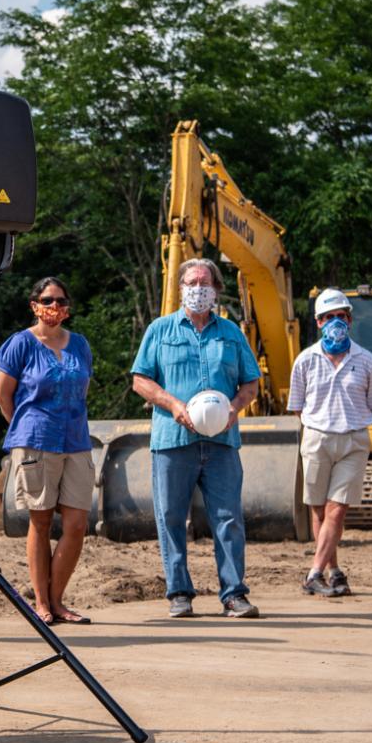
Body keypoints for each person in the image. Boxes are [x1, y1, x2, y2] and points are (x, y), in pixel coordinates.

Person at [130, 258, 262, 619]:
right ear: (181, 288)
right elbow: (140, 380)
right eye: (191, 282)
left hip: (222, 442)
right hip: (173, 440)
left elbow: (251, 382)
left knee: (228, 518)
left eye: (205, 282)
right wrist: (172, 404)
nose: (198, 288)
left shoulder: (232, 333)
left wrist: (235, 407)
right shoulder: (160, 330)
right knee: (170, 516)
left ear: (217, 289)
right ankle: (179, 592)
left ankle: (234, 594)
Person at [0, 277, 94, 625]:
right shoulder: (20, 344)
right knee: (39, 520)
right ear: (34, 303)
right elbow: (2, 396)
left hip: (77, 441)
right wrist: (23, 430)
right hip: (36, 439)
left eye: (62, 301)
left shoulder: (80, 344)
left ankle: (58, 599)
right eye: (48, 300)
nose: (55, 306)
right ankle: (42, 603)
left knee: (77, 523)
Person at [288, 288, 372, 598]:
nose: (335, 322)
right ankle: (333, 571)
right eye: (328, 317)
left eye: (340, 316)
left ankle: (313, 572)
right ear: (317, 322)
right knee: (319, 513)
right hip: (316, 438)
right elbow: (298, 405)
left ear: (350, 319)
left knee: (337, 510)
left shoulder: (367, 361)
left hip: (353, 440)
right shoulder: (304, 361)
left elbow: (371, 404)